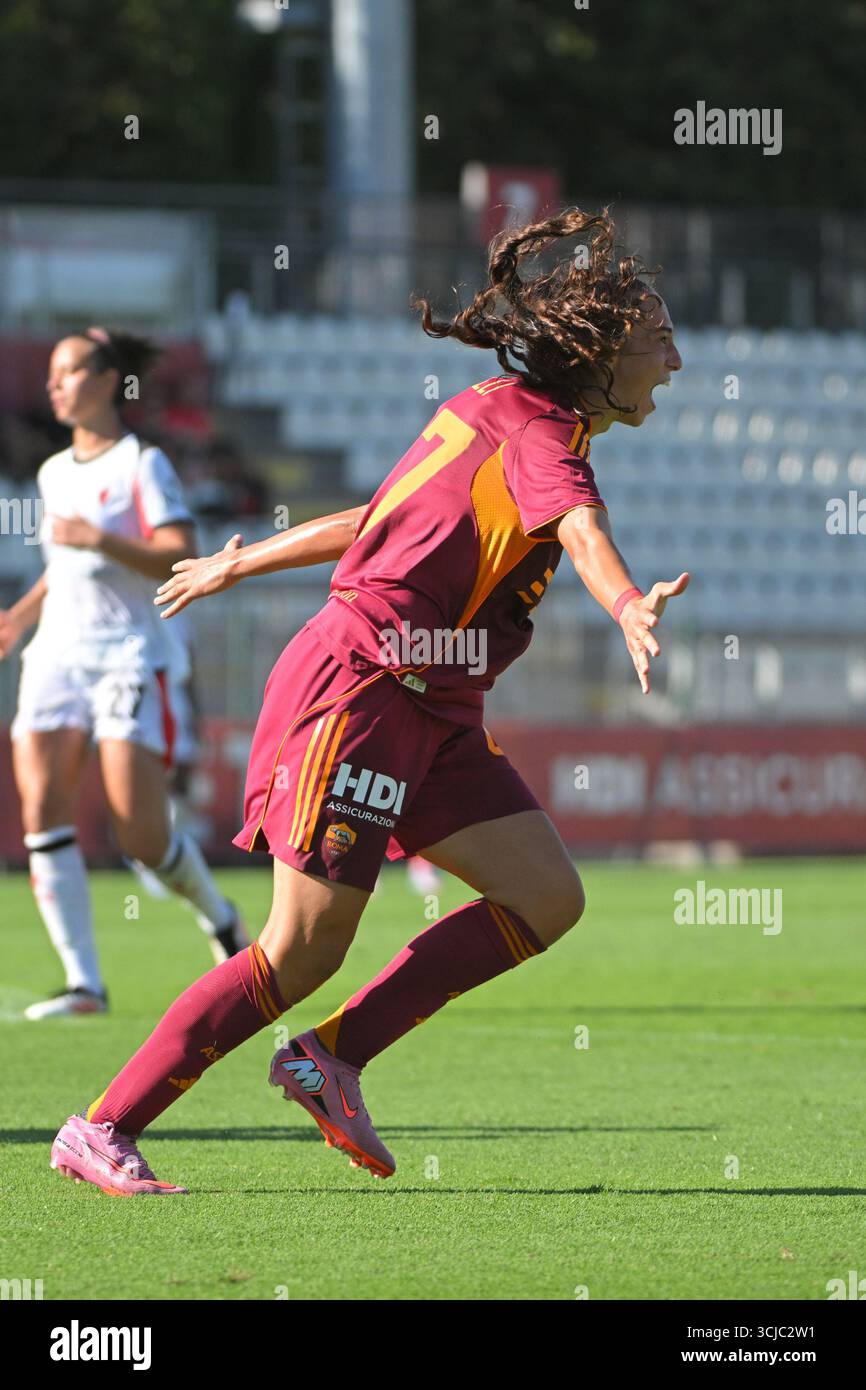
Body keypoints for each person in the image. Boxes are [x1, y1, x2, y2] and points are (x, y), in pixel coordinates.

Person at [49, 207, 688, 1193]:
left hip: (433, 711)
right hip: (362, 693)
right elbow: (579, 527)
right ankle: (101, 1125)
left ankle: (332, 1055)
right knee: (300, 947)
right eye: (658, 339)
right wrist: (623, 605)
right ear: (599, 351)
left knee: (545, 895)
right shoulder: (546, 443)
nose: (674, 361)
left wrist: (243, 559)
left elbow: (376, 516)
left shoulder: (488, 408)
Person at [0, 327, 247, 1021]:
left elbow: (179, 553)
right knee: (41, 808)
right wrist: (18, 617)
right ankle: (85, 985)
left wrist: (101, 537)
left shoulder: (143, 462)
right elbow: (65, 565)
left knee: (139, 835)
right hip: (57, 653)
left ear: (109, 382)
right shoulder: (52, 473)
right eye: (51, 372)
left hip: (127, 655)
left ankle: (221, 917)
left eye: (69, 370)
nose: (54, 384)